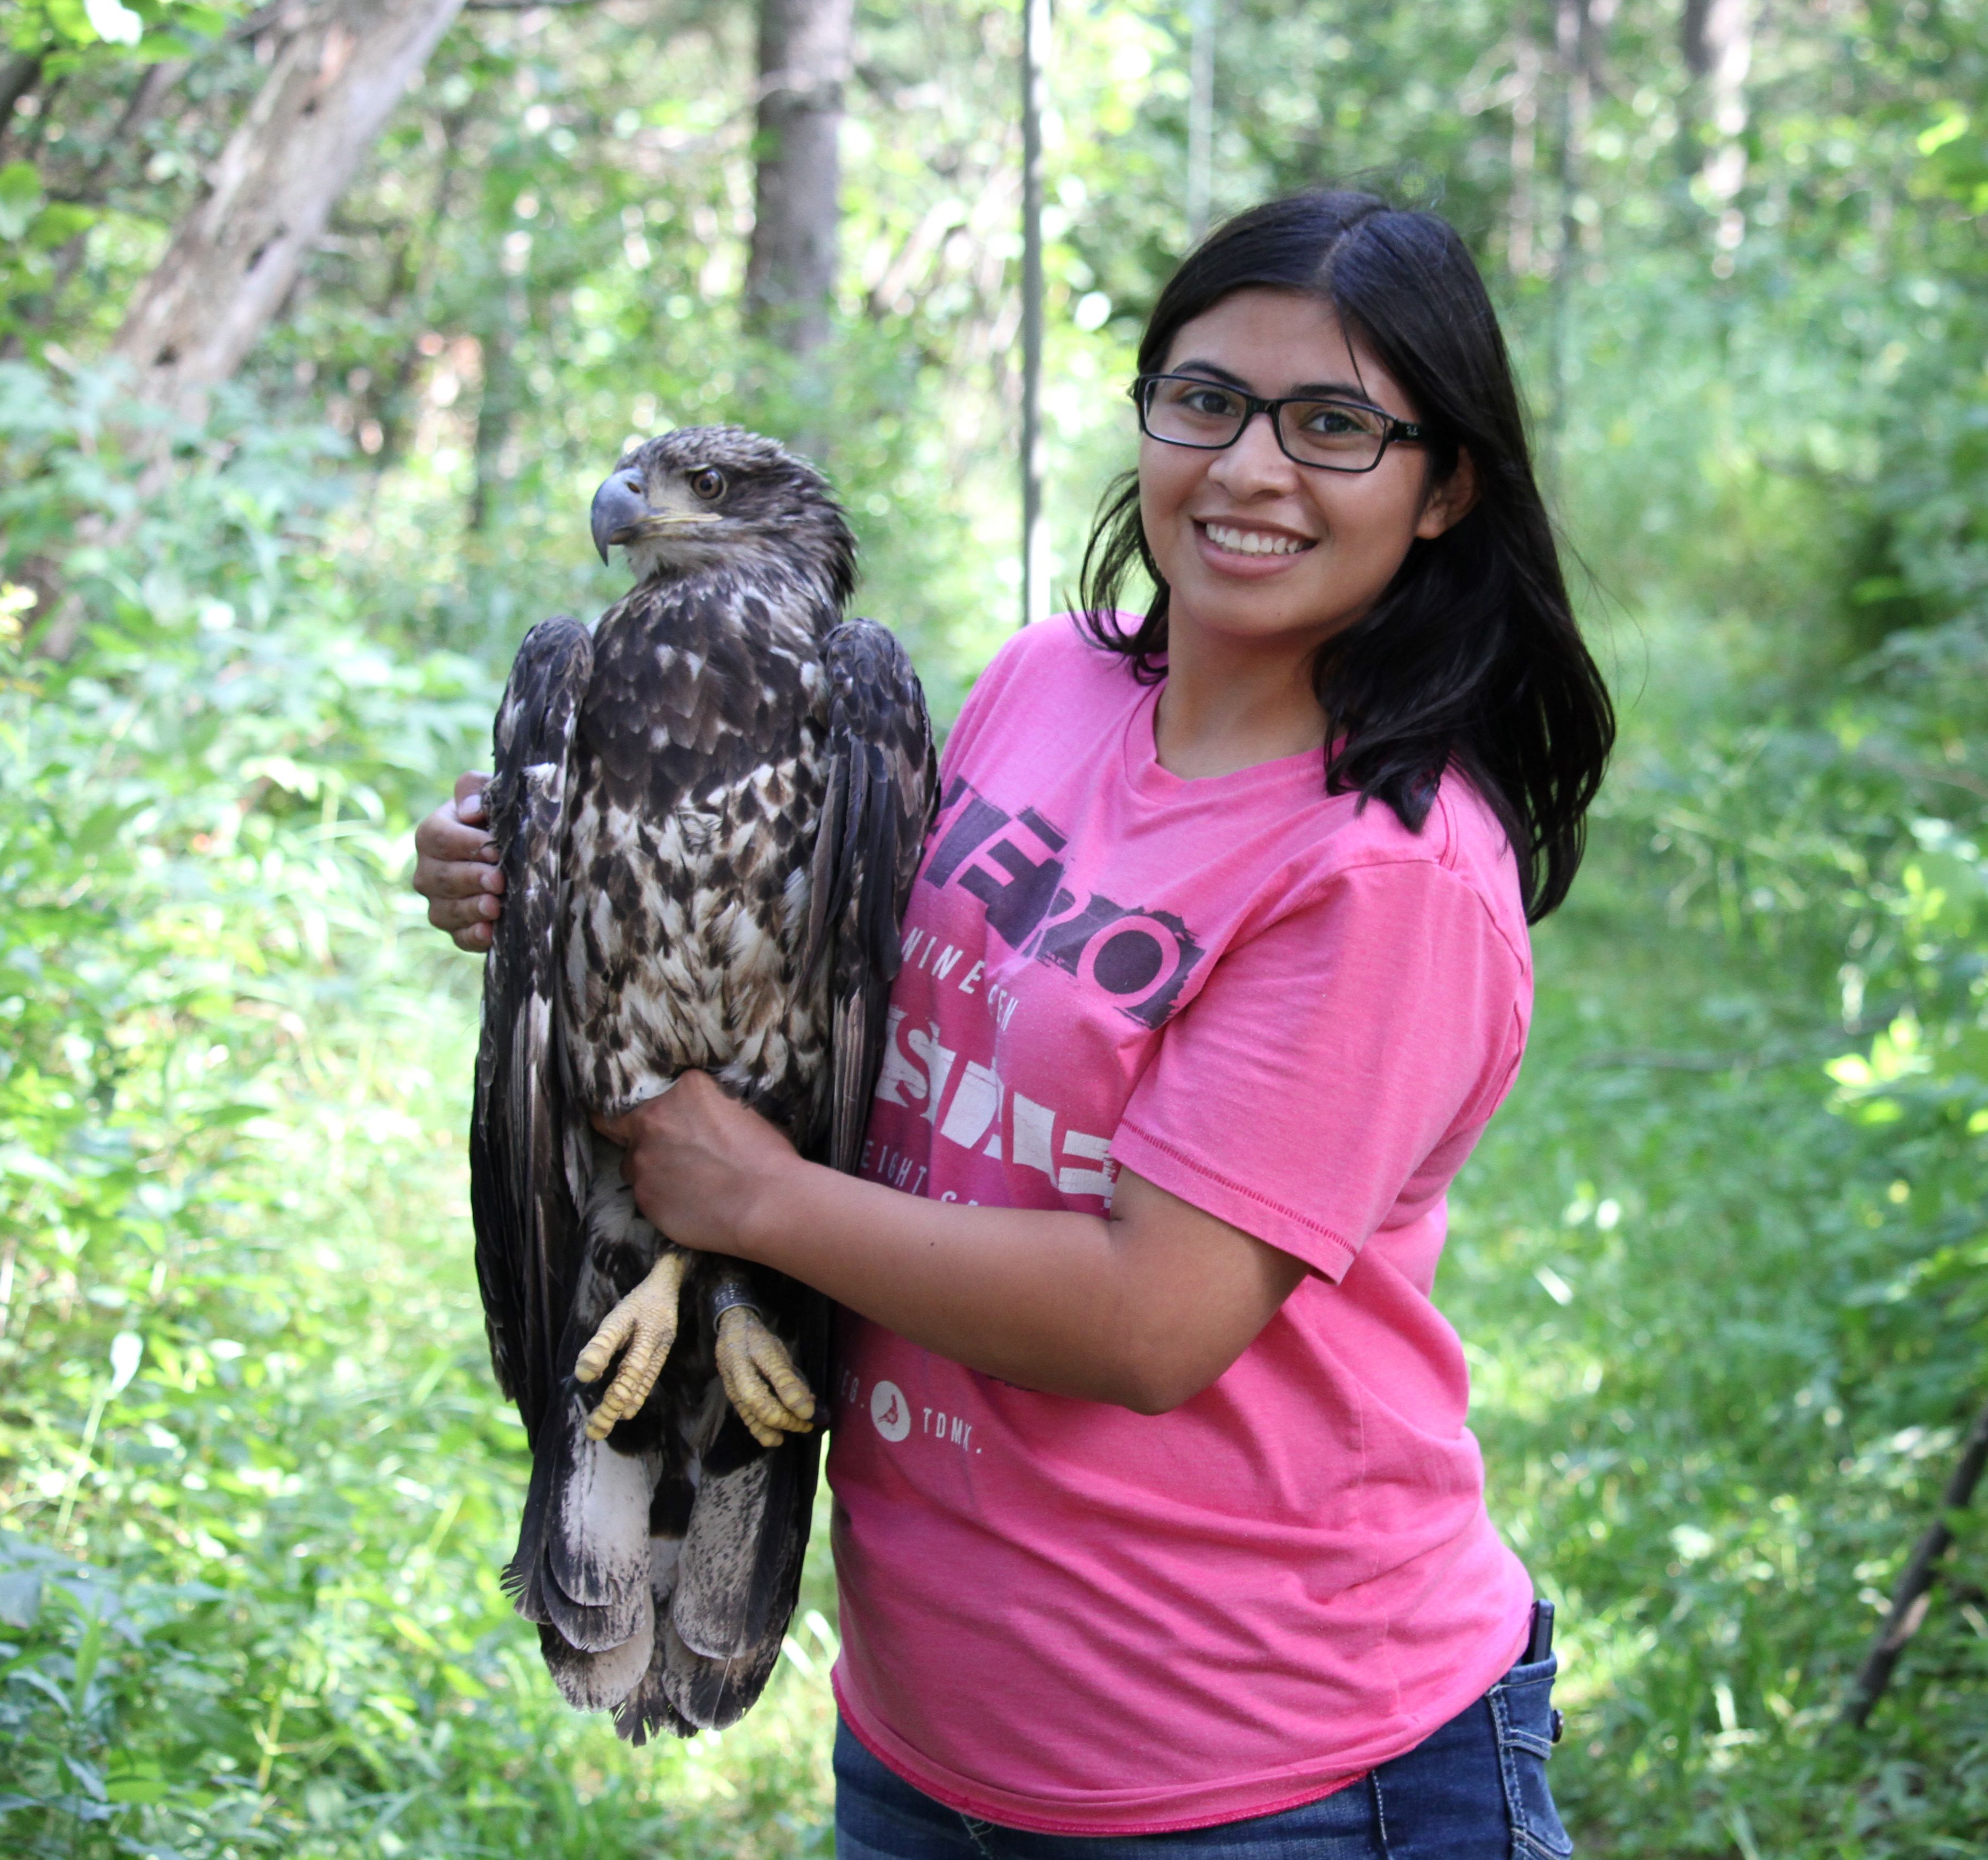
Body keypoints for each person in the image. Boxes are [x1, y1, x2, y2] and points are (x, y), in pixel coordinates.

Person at [412, 189, 1614, 1858]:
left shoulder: (1389, 872)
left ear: (1444, 484)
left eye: (1334, 425)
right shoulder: (1050, 683)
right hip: (935, 1737)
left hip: (1282, 1770)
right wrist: (543, 870)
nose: (1252, 469)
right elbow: (820, 963)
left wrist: (746, 1200)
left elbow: (1147, 1323)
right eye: (1207, 403)